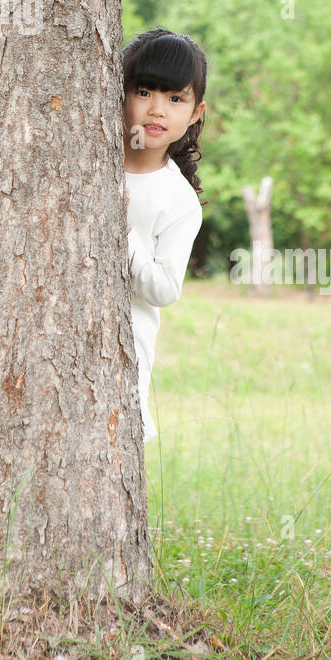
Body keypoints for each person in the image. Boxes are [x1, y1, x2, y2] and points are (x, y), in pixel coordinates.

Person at [122, 28, 208, 444]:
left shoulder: (179, 200)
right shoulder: (80, 158)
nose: (157, 110)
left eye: (175, 99)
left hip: (122, 347)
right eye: (143, 92)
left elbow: (165, 288)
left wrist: (119, 229)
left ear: (195, 113)